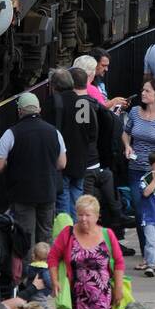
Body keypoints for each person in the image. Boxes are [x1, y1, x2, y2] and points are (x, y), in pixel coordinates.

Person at [48, 194, 125, 309]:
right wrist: (55, 282)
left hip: (100, 299)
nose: (83, 219)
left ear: (97, 216)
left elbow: (119, 262)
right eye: (80, 214)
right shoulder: (68, 234)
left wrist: (118, 288)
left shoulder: (107, 234)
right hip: (76, 299)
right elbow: (52, 257)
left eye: (87, 215)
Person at [0, 91, 65, 251]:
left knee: (25, 235)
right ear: (39, 110)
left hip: (22, 194)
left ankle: (26, 274)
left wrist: (11, 164)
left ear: (19, 112)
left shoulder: (11, 133)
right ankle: (44, 271)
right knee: (46, 235)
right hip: (47, 191)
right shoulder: (54, 132)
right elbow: (62, 164)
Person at [123, 77, 155, 263]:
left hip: (153, 171)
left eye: (147, 91)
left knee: (151, 211)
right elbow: (126, 132)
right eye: (143, 90)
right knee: (138, 210)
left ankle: (153, 254)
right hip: (135, 168)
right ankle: (147, 253)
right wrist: (127, 146)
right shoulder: (135, 112)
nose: (143, 93)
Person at [44, 67, 99, 216]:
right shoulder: (82, 104)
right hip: (81, 161)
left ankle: (67, 234)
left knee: (63, 201)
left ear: (53, 86)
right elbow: (92, 134)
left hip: (62, 162)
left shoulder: (53, 103)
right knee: (76, 198)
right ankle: (76, 231)